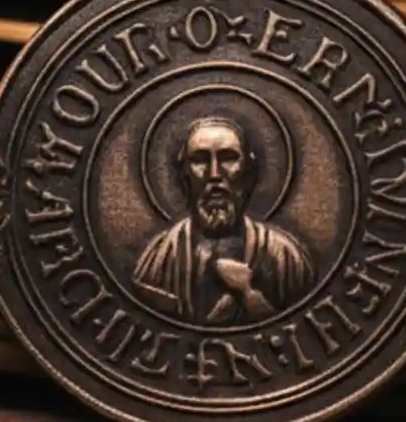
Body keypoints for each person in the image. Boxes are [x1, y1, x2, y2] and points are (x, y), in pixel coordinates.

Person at [132, 116, 314, 325]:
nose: (214, 174)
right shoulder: (158, 260)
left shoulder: (285, 257)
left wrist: (248, 294)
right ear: (184, 176)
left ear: (248, 172)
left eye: (228, 158)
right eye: (200, 160)